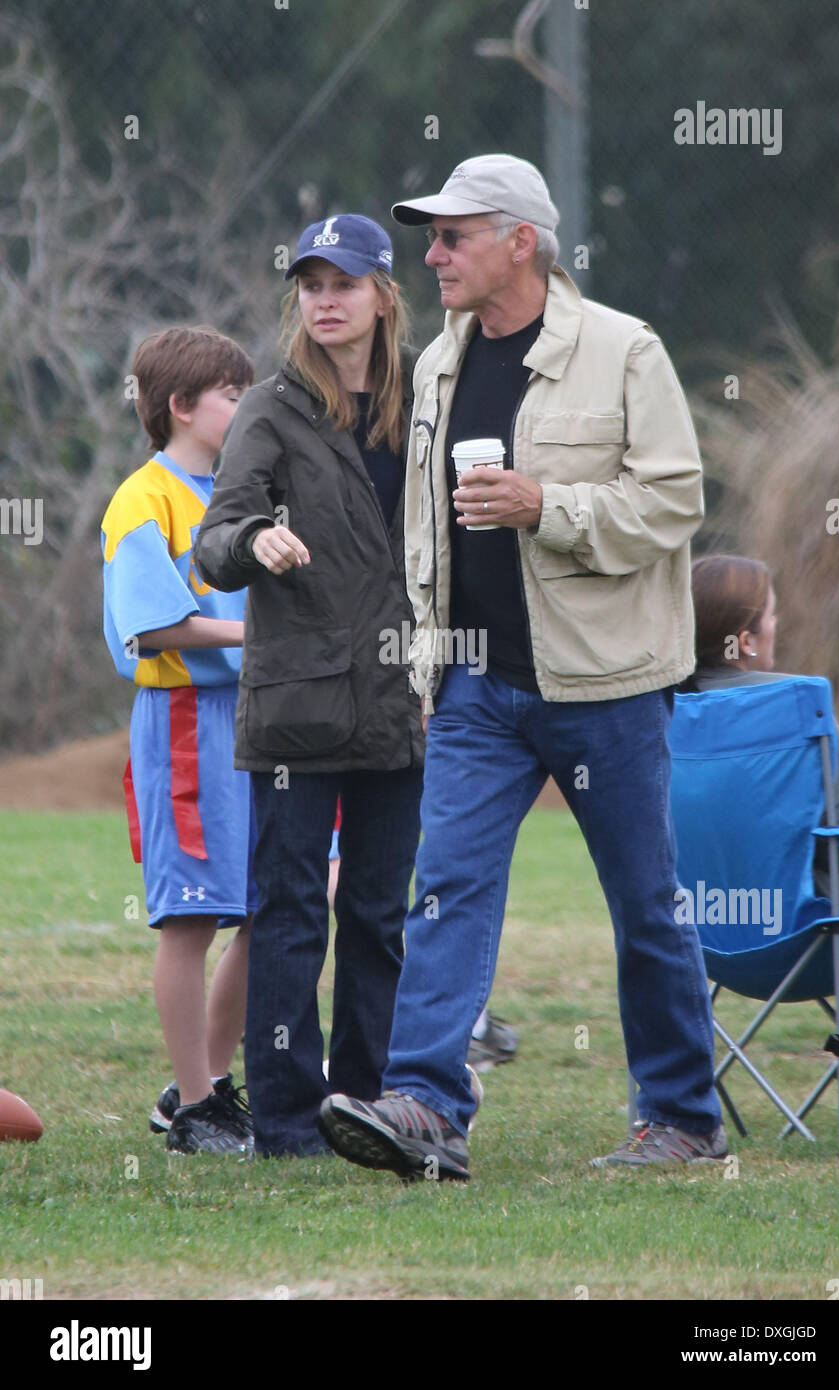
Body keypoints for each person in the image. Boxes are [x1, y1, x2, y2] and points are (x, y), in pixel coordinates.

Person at [319, 153, 725, 1179]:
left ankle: (678, 1118)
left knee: (644, 901)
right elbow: (423, 530)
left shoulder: (625, 351)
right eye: (432, 233)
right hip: (474, 690)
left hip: (608, 685)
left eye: (453, 235)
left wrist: (550, 505)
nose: (433, 253)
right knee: (445, 890)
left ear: (521, 242)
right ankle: (425, 1107)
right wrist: (425, 665)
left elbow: (675, 503)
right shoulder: (437, 366)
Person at [194, 215, 426, 1157]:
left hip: (401, 698)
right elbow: (215, 541)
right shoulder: (270, 406)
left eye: (345, 284)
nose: (326, 302)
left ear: (382, 296)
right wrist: (253, 542)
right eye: (312, 285)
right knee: (288, 915)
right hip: (298, 700)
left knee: (377, 915)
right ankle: (287, 1121)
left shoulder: (426, 397)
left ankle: (365, 1105)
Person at [101, 324, 256, 1154]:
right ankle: (196, 1109)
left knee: (271, 908)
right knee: (190, 920)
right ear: (182, 406)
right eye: (233, 392)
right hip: (187, 726)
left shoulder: (242, 493)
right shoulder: (143, 498)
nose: (245, 403)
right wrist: (259, 642)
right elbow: (157, 626)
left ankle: (206, 1086)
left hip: (258, 724)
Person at [687, 553, 839, 1042]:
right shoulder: (801, 712)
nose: (777, 624)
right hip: (813, 936)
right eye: (771, 614)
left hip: (696, 941)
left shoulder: (655, 713)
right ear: (745, 640)